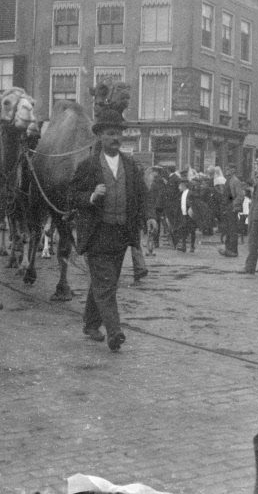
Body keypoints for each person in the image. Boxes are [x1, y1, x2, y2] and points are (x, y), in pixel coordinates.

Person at [70, 108, 157, 352]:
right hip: (97, 233)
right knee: (106, 283)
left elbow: (142, 195)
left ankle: (90, 323)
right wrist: (90, 196)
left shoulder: (130, 166)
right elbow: (71, 196)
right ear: (100, 137)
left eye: (118, 133)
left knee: (105, 282)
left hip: (120, 235)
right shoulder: (88, 166)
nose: (115, 138)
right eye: (109, 134)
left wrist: (150, 216)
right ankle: (114, 331)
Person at [218, 166, 245, 257]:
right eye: (226, 169)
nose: (227, 171)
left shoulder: (235, 181)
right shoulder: (228, 180)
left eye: (229, 169)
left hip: (232, 208)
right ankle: (228, 249)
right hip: (227, 207)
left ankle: (233, 251)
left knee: (232, 230)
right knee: (228, 229)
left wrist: (232, 205)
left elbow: (240, 196)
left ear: (233, 170)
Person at [174, 178, 198, 252]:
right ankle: (183, 246)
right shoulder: (181, 193)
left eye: (180, 186)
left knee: (192, 230)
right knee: (183, 230)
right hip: (183, 214)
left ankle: (192, 246)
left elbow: (194, 203)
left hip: (190, 215)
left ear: (184, 186)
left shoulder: (190, 193)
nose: (179, 187)